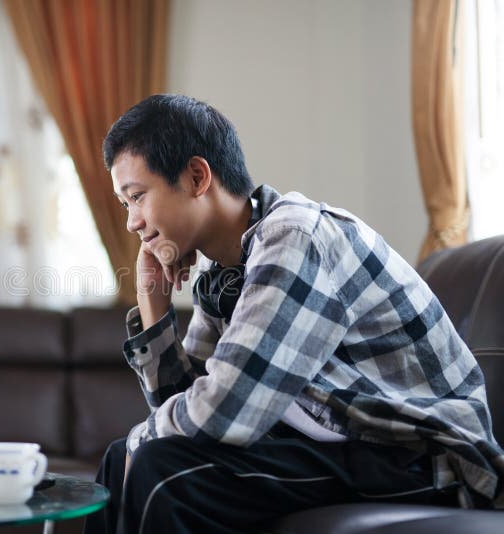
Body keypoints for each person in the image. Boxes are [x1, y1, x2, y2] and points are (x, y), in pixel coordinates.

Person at [84, 94, 504, 534]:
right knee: (121, 460)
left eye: (137, 197)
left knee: (160, 468)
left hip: (419, 454)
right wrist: (154, 308)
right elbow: (187, 411)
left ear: (196, 176)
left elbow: (223, 413)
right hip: (342, 445)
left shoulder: (294, 238)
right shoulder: (226, 274)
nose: (131, 221)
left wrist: (143, 438)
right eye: (124, 204)